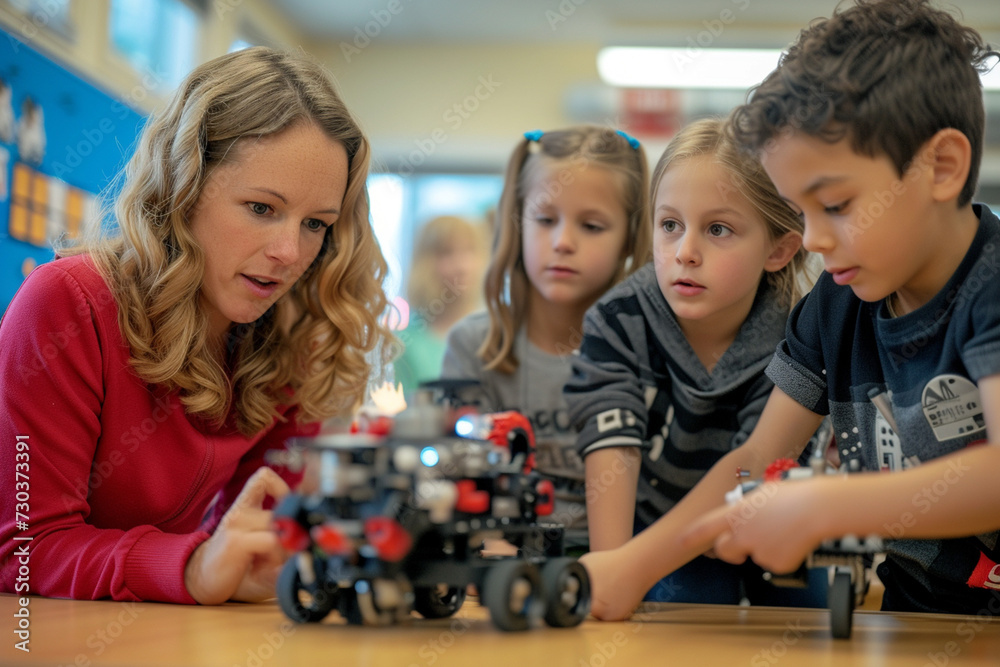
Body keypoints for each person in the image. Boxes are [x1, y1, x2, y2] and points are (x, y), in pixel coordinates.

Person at [580, 0, 1000, 621]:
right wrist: (631, 566)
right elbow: (753, 462)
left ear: (941, 167)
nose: (811, 240)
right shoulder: (835, 303)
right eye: (799, 212)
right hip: (917, 619)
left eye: (835, 204)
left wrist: (824, 505)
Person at [0, 47, 393, 605]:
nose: (288, 252)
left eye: (315, 224)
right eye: (261, 208)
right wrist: (189, 567)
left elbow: (260, 535)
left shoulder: (289, 336)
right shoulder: (67, 304)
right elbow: (24, 551)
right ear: (183, 187)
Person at [566, 117, 823, 605]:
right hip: (660, 533)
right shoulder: (618, 320)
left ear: (779, 248)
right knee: (679, 597)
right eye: (670, 225)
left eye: (718, 229)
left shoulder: (798, 332)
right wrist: (615, 573)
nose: (685, 252)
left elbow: (755, 469)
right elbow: (612, 450)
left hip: (772, 522)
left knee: (804, 617)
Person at [441, 126, 653, 550]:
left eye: (592, 225)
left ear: (629, 237)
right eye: (544, 219)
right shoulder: (472, 346)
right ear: (517, 223)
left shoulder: (654, 351)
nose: (562, 243)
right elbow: (456, 485)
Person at [393, 215, 487, 396]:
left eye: (470, 251)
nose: (462, 266)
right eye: (447, 253)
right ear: (425, 263)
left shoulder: (496, 333)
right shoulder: (405, 343)